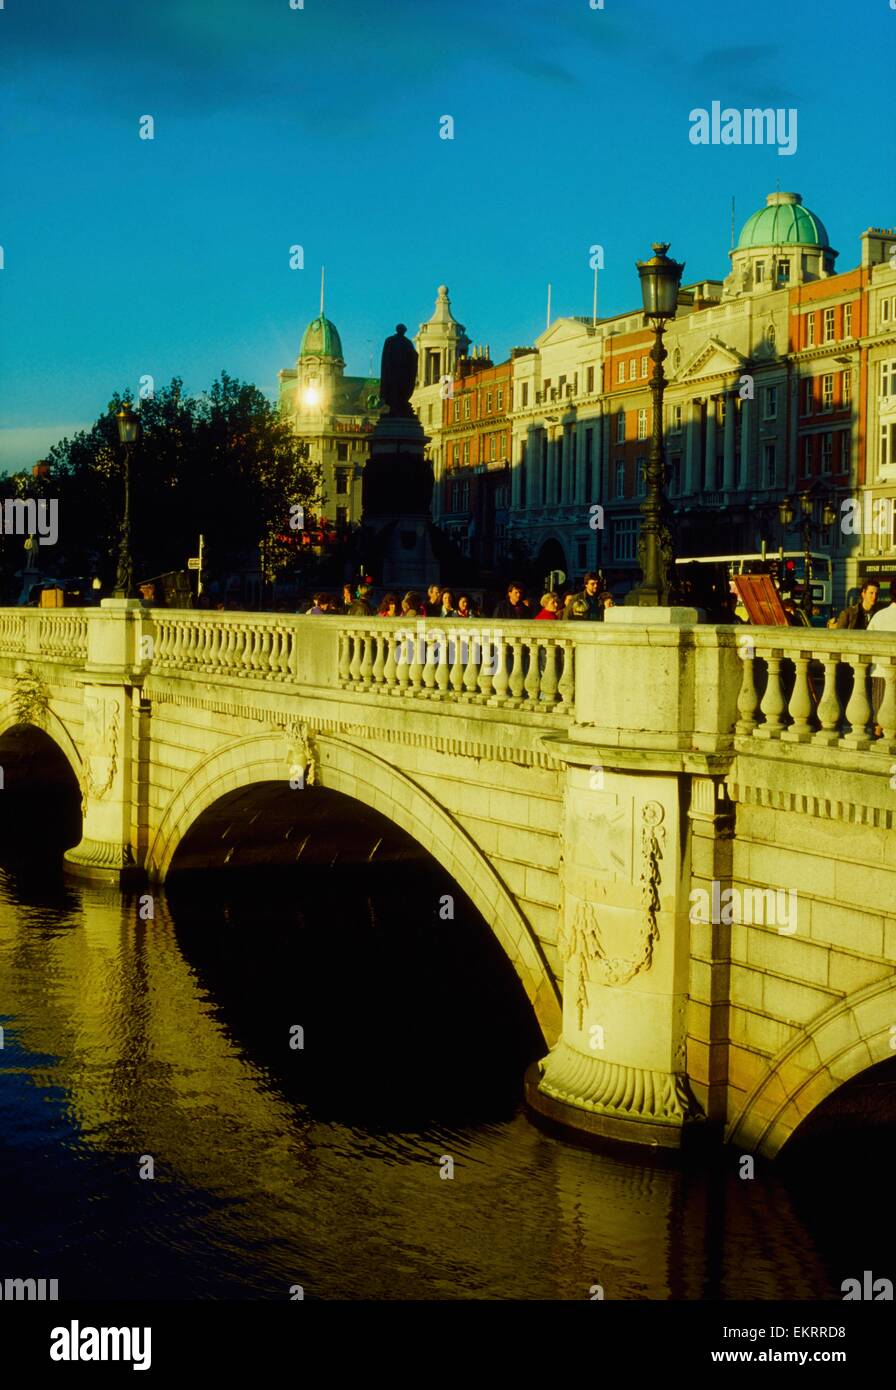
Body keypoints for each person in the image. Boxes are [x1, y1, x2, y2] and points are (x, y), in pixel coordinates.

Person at [867, 591, 896, 734]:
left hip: (880, 671)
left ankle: (877, 739)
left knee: (879, 716)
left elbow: (867, 642)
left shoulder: (879, 616)